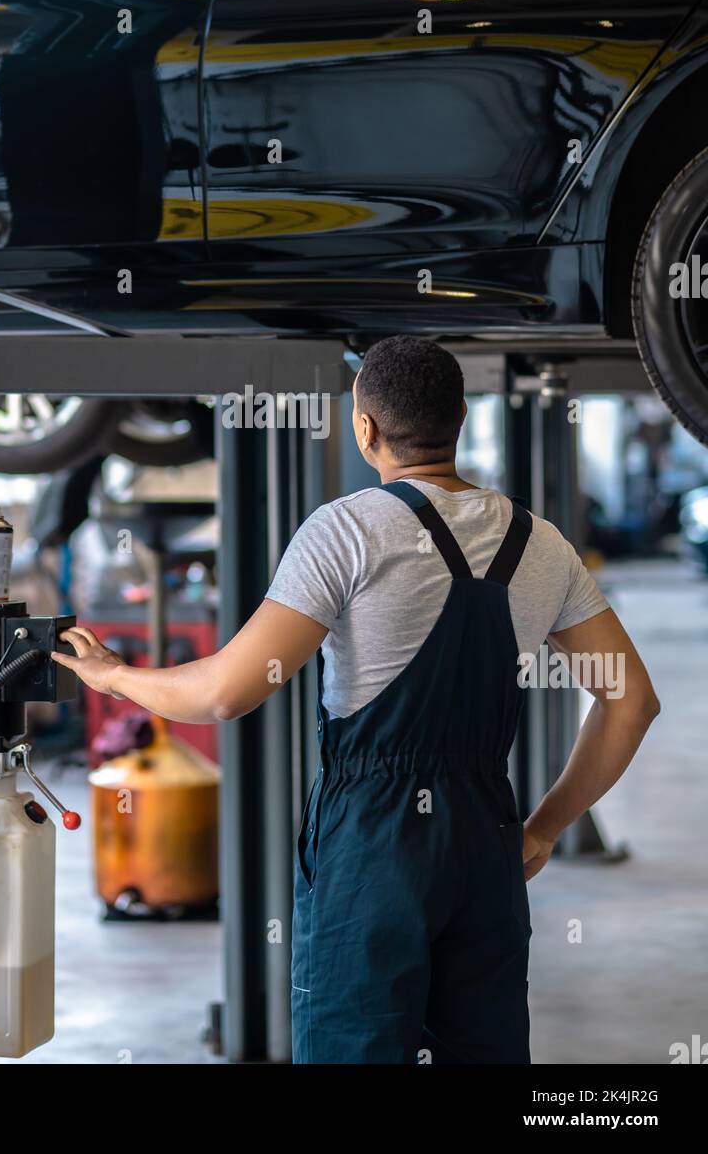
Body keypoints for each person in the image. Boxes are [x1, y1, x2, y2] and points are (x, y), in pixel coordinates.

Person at [52, 335, 660, 1065]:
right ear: (461, 419)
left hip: (373, 847)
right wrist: (544, 827)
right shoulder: (542, 544)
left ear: (364, 428)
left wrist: (114, 676)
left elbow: (222, 694)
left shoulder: (346, 532)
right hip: (485, 838)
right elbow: (632, 702)